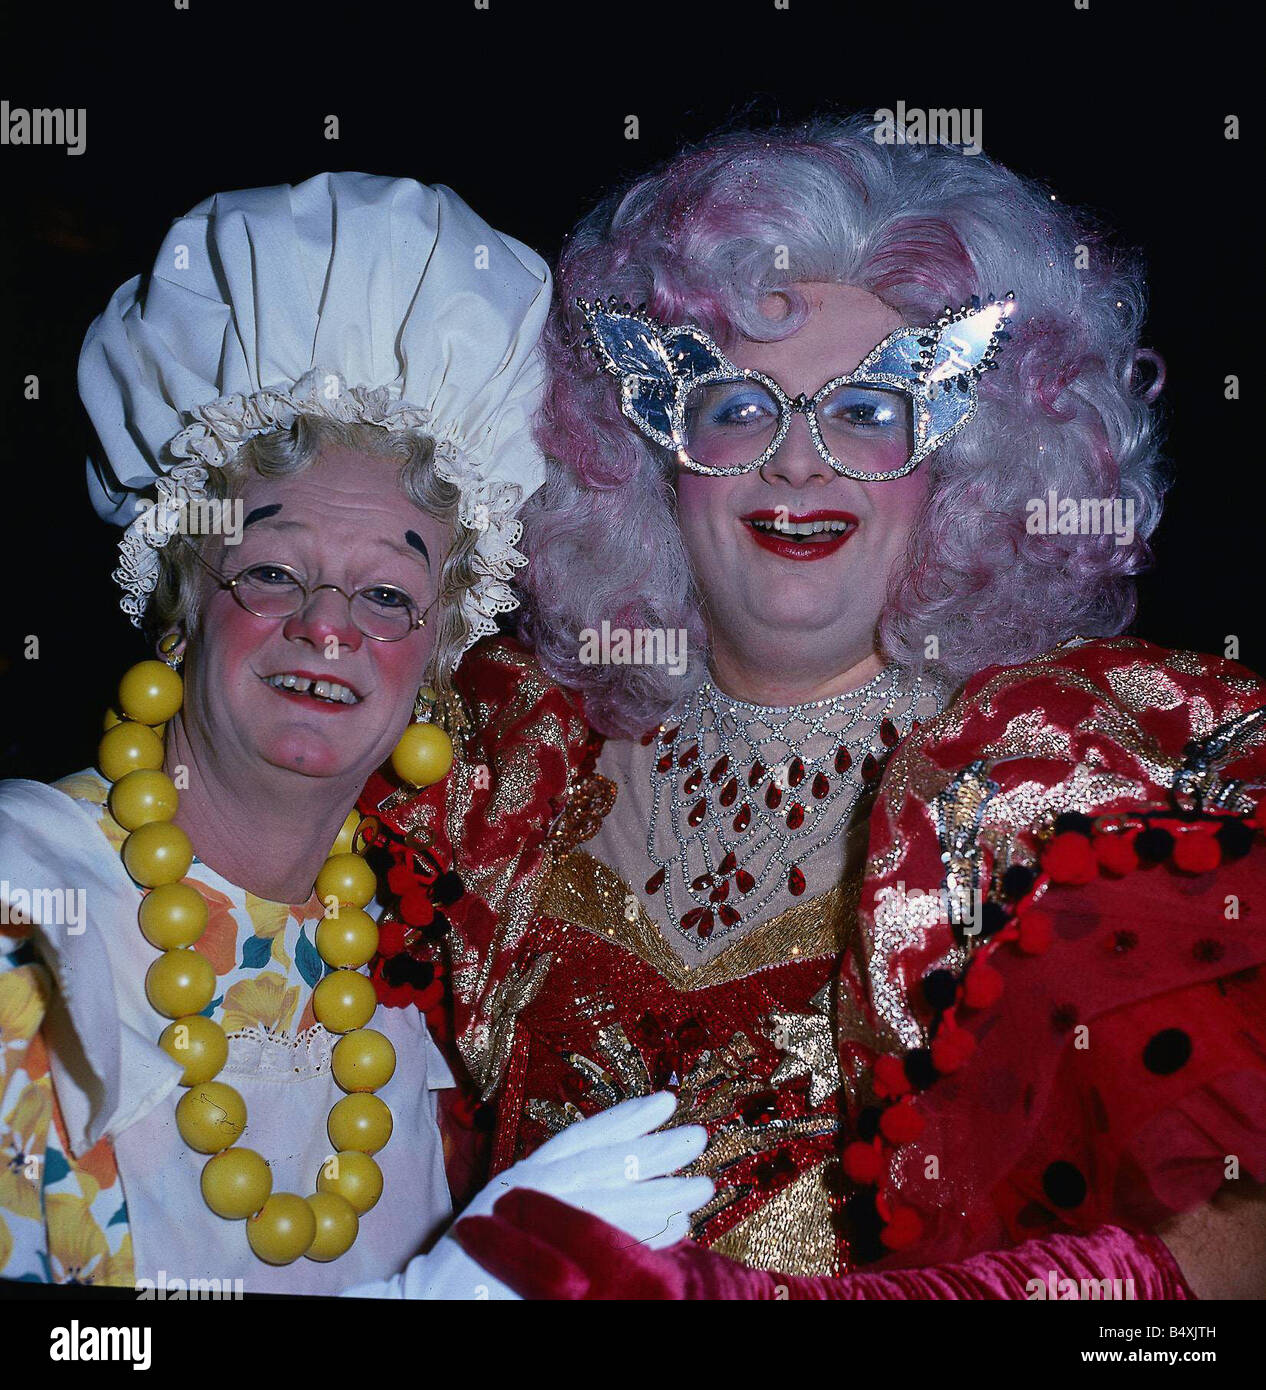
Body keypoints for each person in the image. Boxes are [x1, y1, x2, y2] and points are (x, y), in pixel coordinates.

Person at [364, 118, 1266, 1298]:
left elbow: (1233, 1245)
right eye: (735, 408)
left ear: (976, 459)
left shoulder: (1070, 782)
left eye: (872, 411)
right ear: (644, 454)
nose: (799, 463)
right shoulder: (502, 763)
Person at [0, 172, 709, 1294]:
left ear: (440, 654)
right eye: (274, 573)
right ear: (183, 606)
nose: (326, 628)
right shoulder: (26, 909)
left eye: (387, 598)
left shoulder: (415, 959)